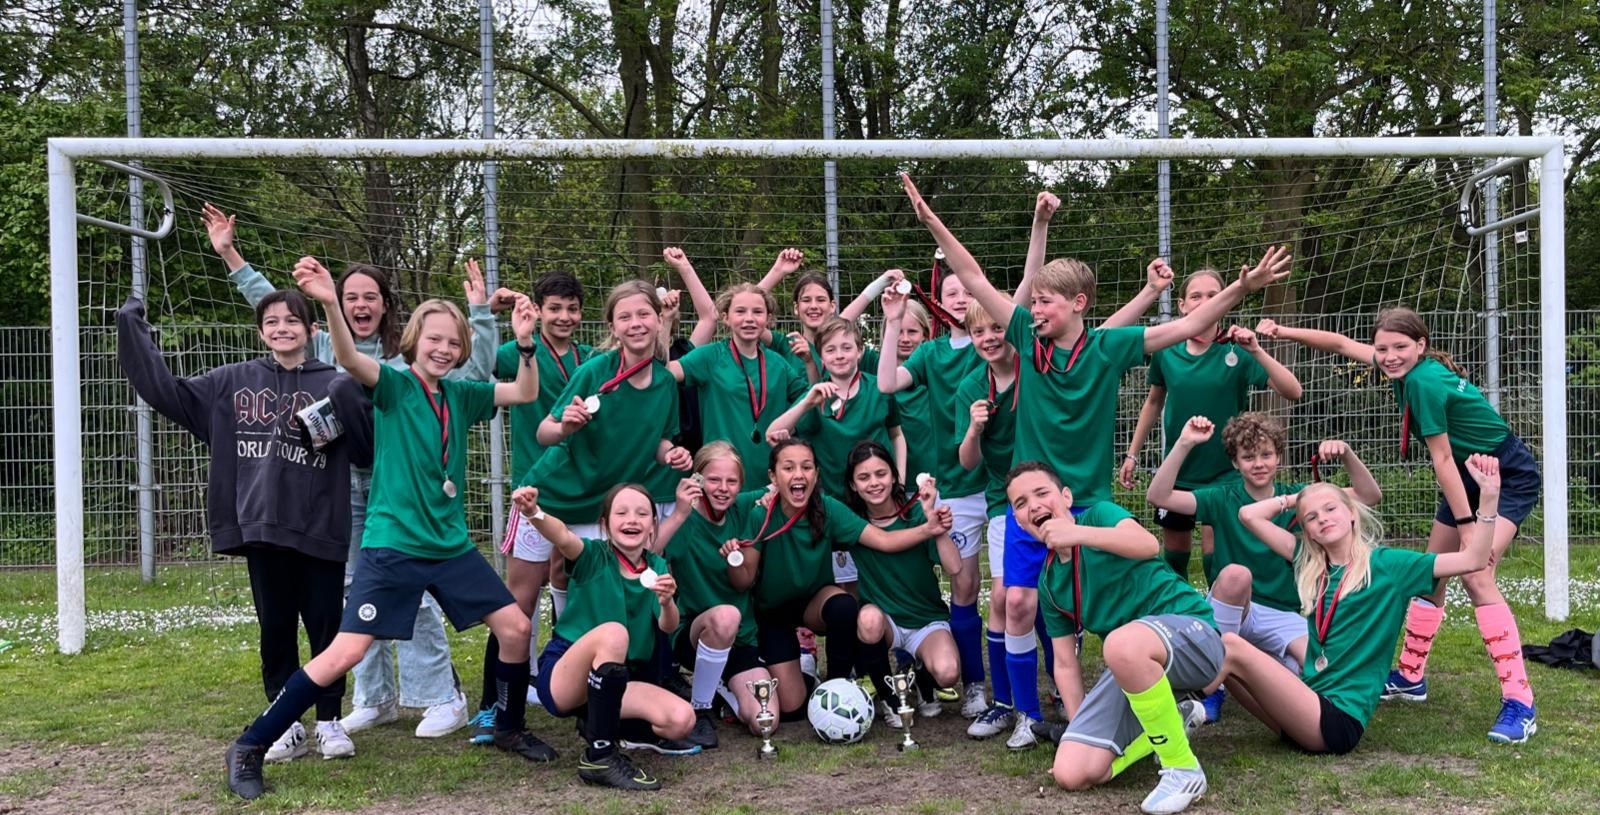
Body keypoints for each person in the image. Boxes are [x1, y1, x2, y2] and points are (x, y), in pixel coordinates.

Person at [898, 174, 1269, 747]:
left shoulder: (1107, 347)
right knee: (1017, 603)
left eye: (1044, 300)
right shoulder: (1024, 335)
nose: (1033, 307)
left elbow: (1191, 324)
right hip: (1027, 509)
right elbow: (972, 276)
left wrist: (1241, 288)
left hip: (1089, 507)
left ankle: (1163, 691)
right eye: (1033, 300)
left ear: (1078, 304)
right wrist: (929, 220)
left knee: (1108, 612)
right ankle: (1026, 713)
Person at [222, 258, 548, 801]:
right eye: (434, 340)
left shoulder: (462, 394)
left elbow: (526, 394)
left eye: (453, 342)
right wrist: (329, 301)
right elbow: (348, 357)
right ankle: (251, 745)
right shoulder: (394, 385)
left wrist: (527, 344)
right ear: (416, 340)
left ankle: (509, 726)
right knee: (343, 653)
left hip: (449, 546)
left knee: (515, 630)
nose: (443, 350)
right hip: (392, 547)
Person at [203, 203, 495, 739]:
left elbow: (473, 373)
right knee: (356, 594)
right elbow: (276, 309)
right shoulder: (322, 344)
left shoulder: (409, 360)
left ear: (386, 307)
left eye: (371, 298)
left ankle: (438, 694)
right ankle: (374, 696)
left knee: (417, 594)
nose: (361, 305)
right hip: (337, 493)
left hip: (404, 495)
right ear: (336, 301)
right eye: (350, 296)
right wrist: (229, 253)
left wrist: (480, 315)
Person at [1260, 308, 1541, 743]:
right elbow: (1339, 344)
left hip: (1500, 472)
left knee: (1476, 575)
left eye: (1400, 348)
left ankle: (1520, 701)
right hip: (1466, 473)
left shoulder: (1424, 383)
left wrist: (1468, 524)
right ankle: (1411, 677)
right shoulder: (1401, 367)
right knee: (1432, 573)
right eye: (1382, 349)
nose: (1389, 357)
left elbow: (1442, 460)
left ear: (1421, 346)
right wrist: (1281, 330)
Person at [120, 289, 358, 763]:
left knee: (327, 628)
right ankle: (286, 721)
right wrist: (134, 329)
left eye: (293, 320)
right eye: (272, 322)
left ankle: (330, 721)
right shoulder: (230, 382)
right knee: (275, 629)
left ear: (312, 331)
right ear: (260, 331)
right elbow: (165, 390)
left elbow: (373, 439)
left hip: (320, 528)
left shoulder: (338, 384)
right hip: (262, 528)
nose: (282, 328)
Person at [1222, 458, 1503, 755]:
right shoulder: (1310, 563)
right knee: (1222, 656)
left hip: (1336, 721)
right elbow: (1248, 515)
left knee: (1230, 644)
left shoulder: (1389, 566)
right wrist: (1299, 498)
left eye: (1331, 509)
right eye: (1312, 518)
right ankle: (1177, 707)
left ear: (1352, 513)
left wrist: (1489, 497)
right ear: (1309, 532)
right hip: (1305, 703)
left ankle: (1177, 723)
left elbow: (1472, 560)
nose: (1323, 519)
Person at [1009, 461, 1216, 815]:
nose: (1034, 505)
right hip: (1132, 664)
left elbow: (1146, 544)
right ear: (1018, 521)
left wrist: (1078, 535)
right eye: (1021, 503)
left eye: (1042, 493)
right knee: (1071, 771)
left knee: (1118, 643)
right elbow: (1064, 663)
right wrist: (1079, 729)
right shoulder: (1048, 584)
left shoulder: (1099, 515)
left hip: (1193, 634)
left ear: (1066, 497)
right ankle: (1173, 720)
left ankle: (1182, 767)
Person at [1147, 413, 1381, 722]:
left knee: (1313, 672)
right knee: (1234, 574)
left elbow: (1369, 496)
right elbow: (1158, 496)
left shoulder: (1299, 497)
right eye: (1248, 457)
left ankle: (1262, 670)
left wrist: (1347, 454)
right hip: (1234, 609)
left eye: (1266, 454)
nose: (1258, 463)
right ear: (1235, 463)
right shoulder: (1222, 497)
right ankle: (1212, 681)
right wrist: (1184, 442)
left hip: (1283, 613)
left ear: (1279, 457)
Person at [715, 439, 952, 722]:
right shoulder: (760, 514)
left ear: (816, 473)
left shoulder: (828, 509)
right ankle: (804, 670)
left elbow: (885, 540)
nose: (798, 475)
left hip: (814, 601)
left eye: (806, 467)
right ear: (773, 477)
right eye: (788, 468)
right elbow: (743, 582)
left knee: (845, 608)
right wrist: (733, 558)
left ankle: (835, 688)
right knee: (791, 709)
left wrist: (929, 528)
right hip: (773, 611)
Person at [515, 483, 700, 791]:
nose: (632, 519)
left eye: (642, 514)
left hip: (614, 679)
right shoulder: (593, 555)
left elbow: (668, 627)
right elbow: (562, 535)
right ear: (605, 523)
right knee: (614, 633)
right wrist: (534, 512)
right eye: (622, 512)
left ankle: (594, 721)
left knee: (682, 720)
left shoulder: (656, 566)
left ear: (653, 526)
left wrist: (667, 601)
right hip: (566, 676)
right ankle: (599, 755)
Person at [1120, 271, 1303, 582]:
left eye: (1213, 294)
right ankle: (1176, 609)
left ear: (1224, 300)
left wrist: (1256, 350)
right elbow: (1153, 402)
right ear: (1181, 305)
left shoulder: (1237, 351)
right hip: (1180, 468)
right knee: (1175, 551)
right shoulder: (1167, 350)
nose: (1205, 302)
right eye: (1196, 296)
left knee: (1216, 551)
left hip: (1226, 471)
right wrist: (1132, 454)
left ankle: (1217, 613)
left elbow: (1293, 391)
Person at [482, 270, 592, 742]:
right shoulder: (516, 353)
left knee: (584, 597)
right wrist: (490, 311)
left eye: (571, 308)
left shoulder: (593, 360)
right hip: (536, 492)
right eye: (555, 308)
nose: (564, 317)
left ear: (581, 313)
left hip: (587, 497)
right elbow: (473, 360)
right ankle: (494, 703)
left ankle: (575, 687)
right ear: (540, 311)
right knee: (518, 604)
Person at [766, 317, 906, 593]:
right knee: (844, 588)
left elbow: (897, 435)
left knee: (881, 577)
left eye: (846, 347)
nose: (839, 355)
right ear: (821, 356)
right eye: (830, 350)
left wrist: (899, 477)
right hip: (833, 503)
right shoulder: (817, 395)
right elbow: (774, 433)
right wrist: (807, 401)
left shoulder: (880, 388)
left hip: (876, 499)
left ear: (860, 350)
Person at [655, 442, 775, 748]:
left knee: (765, 721)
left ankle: (722, 688)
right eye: (713, 480)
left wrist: (773, 491)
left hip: (741, 638)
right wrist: (680, 513)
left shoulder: (744, 508)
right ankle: (701, 707)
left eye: (731, 481)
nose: (723, 489)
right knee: (725, 616)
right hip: (696, 632)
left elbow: (781, 487)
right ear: (696, 480)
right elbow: (642, 555)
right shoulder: (683, 521)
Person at [840, 441, 964, 726]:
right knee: (868, 618)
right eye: (864, 477)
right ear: (853, 484)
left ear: (895, 476)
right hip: (886, 621)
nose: (874, 483)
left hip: (924, 619)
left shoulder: (918, 512)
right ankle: (889, 699)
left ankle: (920, 673)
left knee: (948, 672)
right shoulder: (851, 520)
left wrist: (937, 525)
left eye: (881, 474)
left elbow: (955, 567)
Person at [666, 273, 807, 490]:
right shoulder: (709, 357)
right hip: (721, 480)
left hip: (768, 480)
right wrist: (665, 323)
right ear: (725, 317)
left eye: (757, 312)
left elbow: (808, 398)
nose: (749, 318)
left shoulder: (778, 364)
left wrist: (811, 364)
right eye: (740, 311)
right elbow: (666, 372)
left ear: (768, 319)